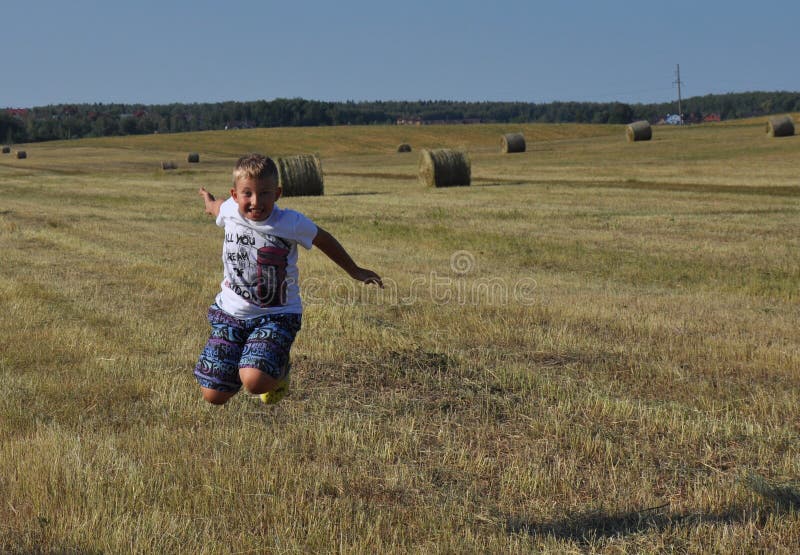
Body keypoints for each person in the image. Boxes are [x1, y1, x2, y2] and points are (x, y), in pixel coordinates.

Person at [194, 153, 383, 405]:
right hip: (229, 314)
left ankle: (277, 369)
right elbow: (216, 207)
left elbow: (323, 239)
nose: (255, 201)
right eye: (247, 193)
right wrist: (208, 201)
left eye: (265, 194)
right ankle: (250, 358)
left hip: (276, 316)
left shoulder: (290, 222)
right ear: (235, 194)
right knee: (214, 396)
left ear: (278, 193)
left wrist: (355, 270)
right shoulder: (229, 209)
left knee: (254, 381)